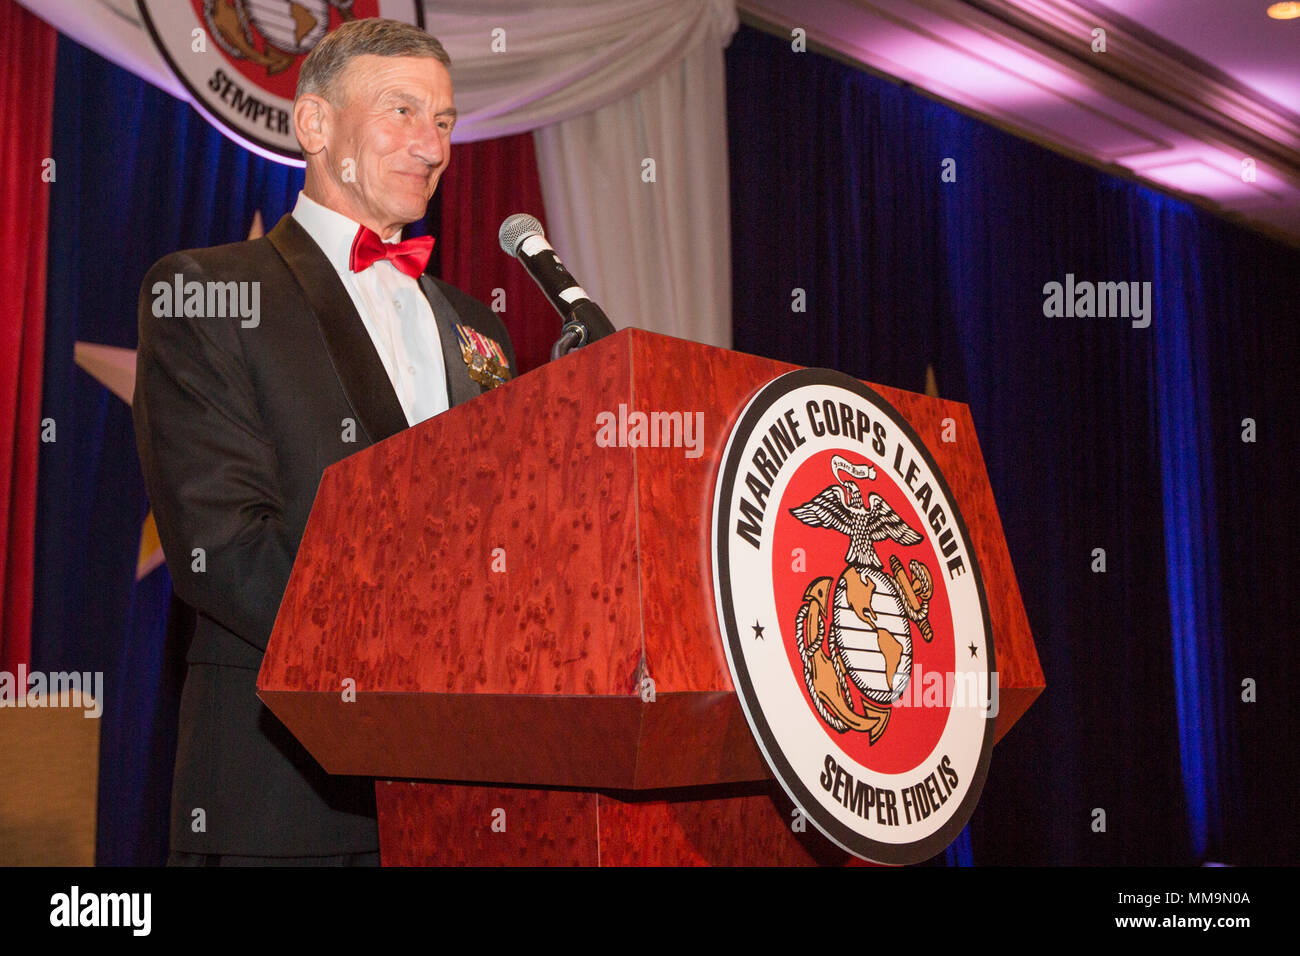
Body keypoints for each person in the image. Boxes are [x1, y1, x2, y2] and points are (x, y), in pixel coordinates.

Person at [132, 18, 516, 865]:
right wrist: (416, 669)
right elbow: (226, 548)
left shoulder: (476, 327)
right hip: (286, 793)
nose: (432, 144)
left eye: (445, 121)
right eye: (402, 111)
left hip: (464, 798)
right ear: (314, 126)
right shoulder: (206, 293)